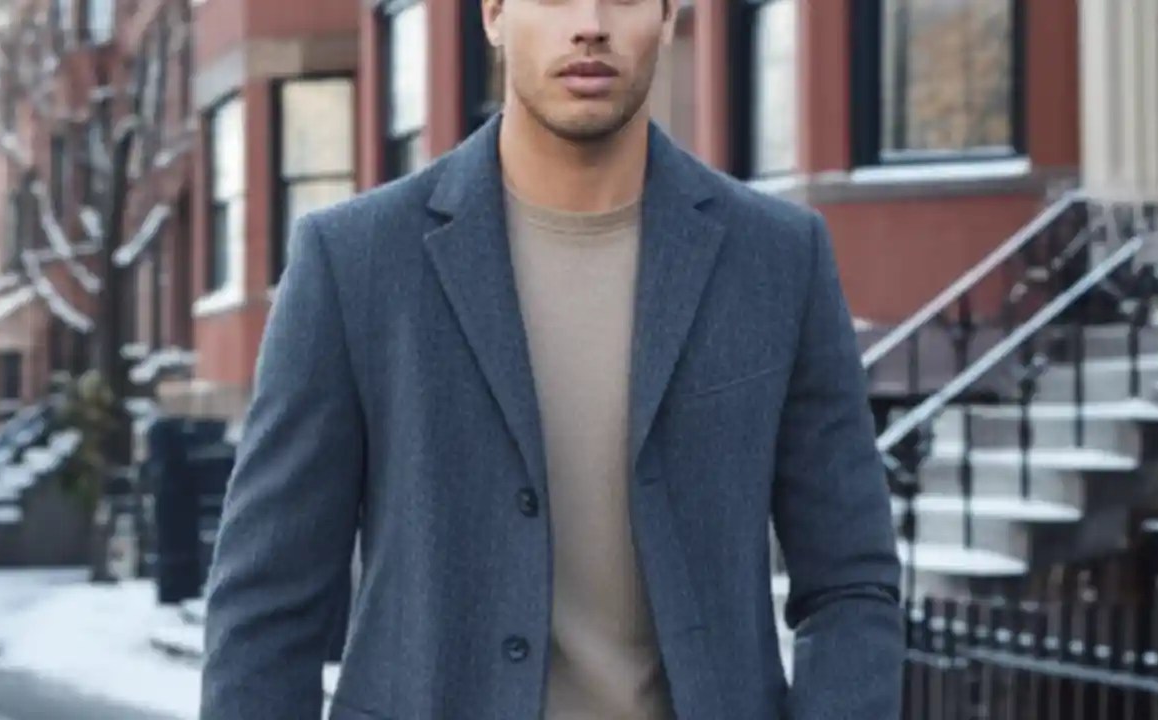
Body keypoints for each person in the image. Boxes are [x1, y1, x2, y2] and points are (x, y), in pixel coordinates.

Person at [200, 0, 903, 717]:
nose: (590, 22)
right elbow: (267, 603)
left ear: (667, 16)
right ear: (493, 13)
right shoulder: (353, 262)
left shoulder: (778, 260)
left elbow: (851, 582)